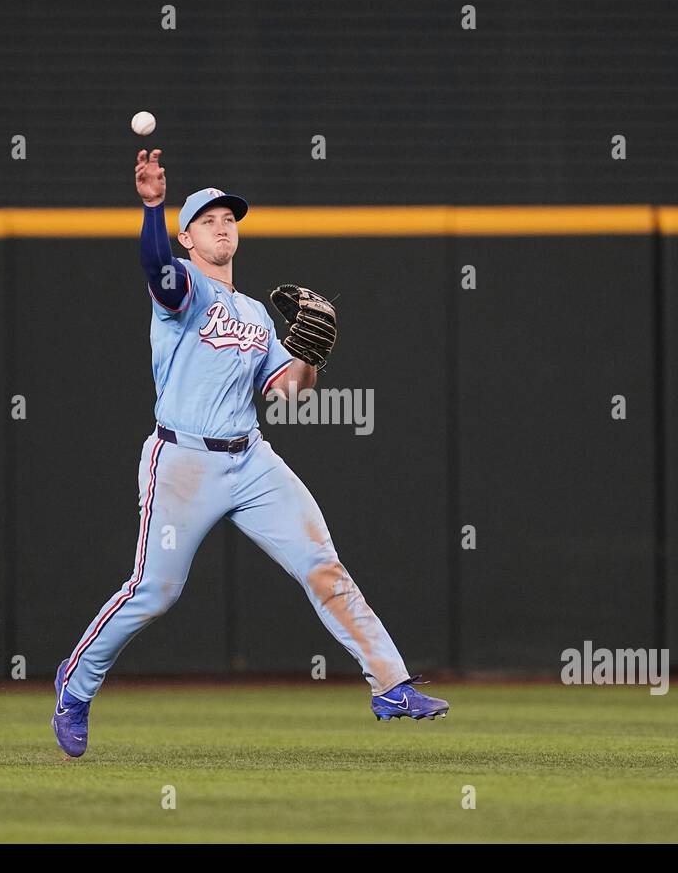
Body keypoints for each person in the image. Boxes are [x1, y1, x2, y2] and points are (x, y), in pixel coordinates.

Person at [51, 149, 449, 757]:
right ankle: (75, 687)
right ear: (188, 235)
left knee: (323, 564)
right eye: (208, 219)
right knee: (154, 591)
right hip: (182, 461)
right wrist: (153, 208)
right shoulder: (181, 288)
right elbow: (154, 265)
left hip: (250, 458)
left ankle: (391, 685)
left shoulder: (256, 314)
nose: (222, 225)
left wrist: (312, 355)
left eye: (229, 218)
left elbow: (286, 393)